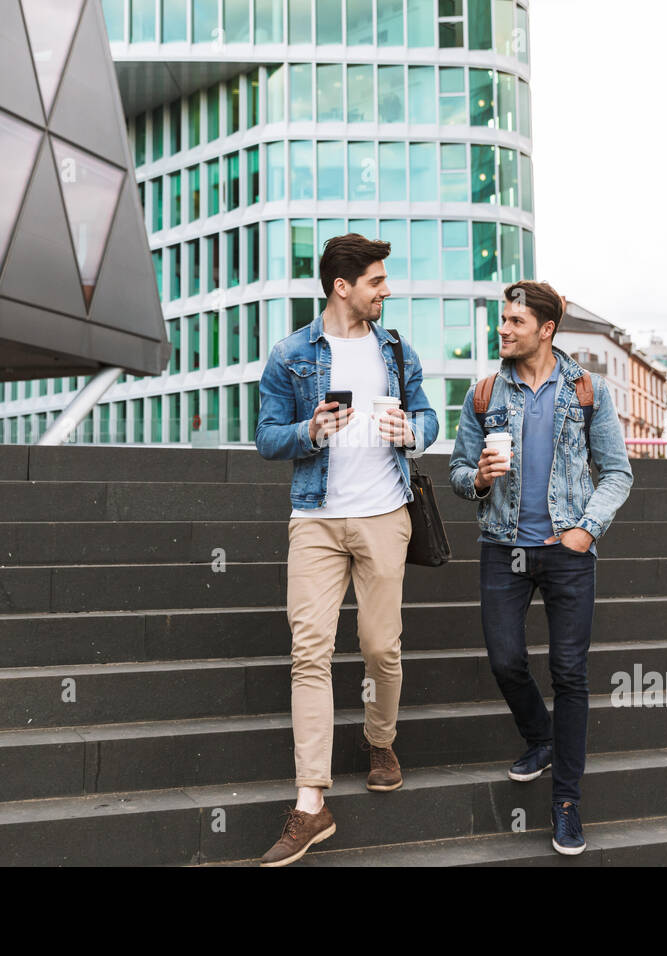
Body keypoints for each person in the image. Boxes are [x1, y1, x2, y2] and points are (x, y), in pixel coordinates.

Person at [254, 233, 440, 867]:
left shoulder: (396, 349)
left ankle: (380, 742)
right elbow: (266, 437)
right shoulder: (290, 354)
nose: (386, 290)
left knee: (380, 647)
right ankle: (311, 803)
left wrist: (411, 430)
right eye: (377, 281)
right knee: (310, 652)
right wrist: (309, 430)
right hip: (316, 519)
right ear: (343, 287)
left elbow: (429, 417)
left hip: (386, 516)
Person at [449, 280, 633, 856]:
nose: (503, 329)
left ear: (546, 329)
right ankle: (540, 735)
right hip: (503, 547)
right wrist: (477, 478)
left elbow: (618, 472)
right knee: (505, 660)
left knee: (570, 674)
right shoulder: (483, 394)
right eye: (502, 321)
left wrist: (585, 530)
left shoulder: (587, 391)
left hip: (566, 550)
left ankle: (567, 803)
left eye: (515, 322)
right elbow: (457, 472)